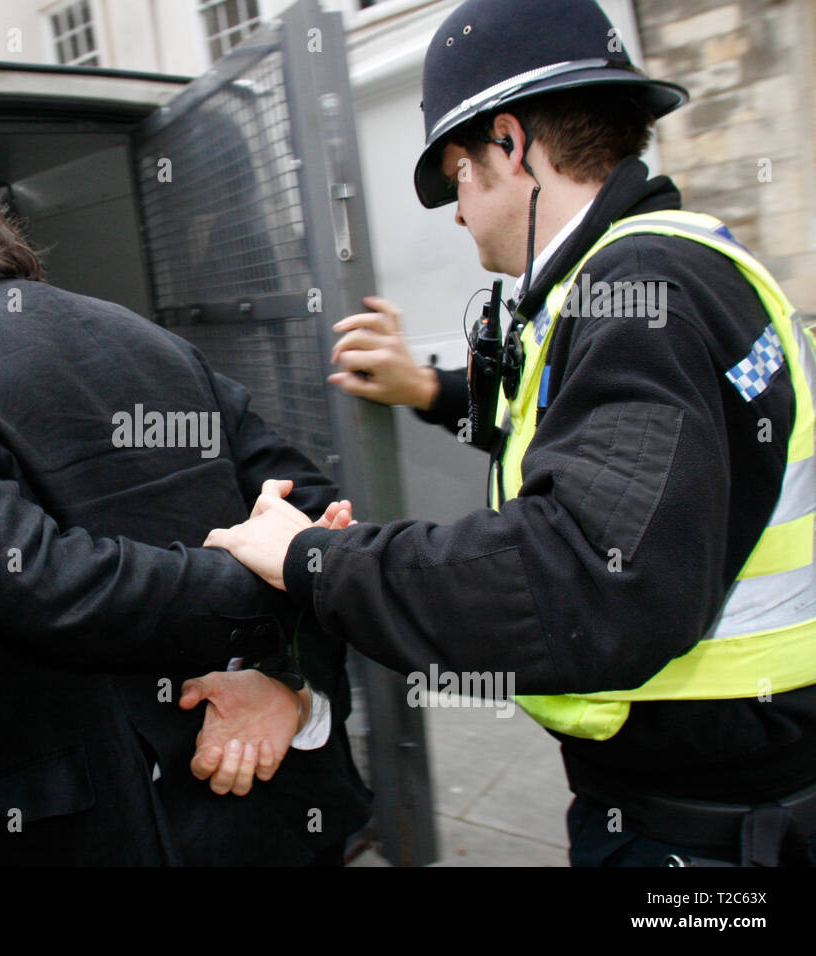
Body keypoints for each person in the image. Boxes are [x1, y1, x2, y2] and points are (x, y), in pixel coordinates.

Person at [203, 0, 816, 866]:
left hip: (710, 834)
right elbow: (598, 439)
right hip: (733, 791)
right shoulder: (663, 265)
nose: (457, 212)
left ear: (510, 144)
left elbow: (583, 574)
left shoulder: (639, 289)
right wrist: (430, 388)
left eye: (458, 176)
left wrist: (313, 558)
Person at [0, 152, 370, 865]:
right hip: (286, 793)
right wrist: (289, 674)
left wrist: (253, 573)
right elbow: (321, 520)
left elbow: (37, 579)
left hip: (108, 826)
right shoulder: (141, 333)